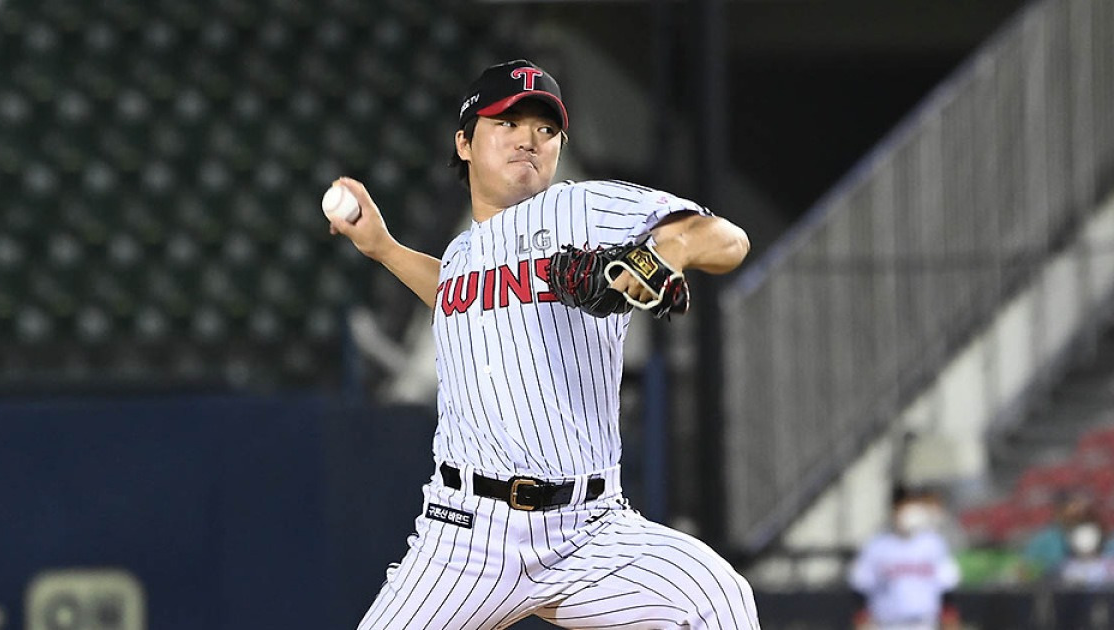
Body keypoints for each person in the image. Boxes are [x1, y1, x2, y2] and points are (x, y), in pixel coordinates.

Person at [329, 59, 759, 629]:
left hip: (591, 532)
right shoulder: (463, 255)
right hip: (465, 538)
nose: (528, 139)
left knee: (718, 598)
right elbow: (457, 294)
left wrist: (664, 254)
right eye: (507, 123)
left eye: (545, 128)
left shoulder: (582, 210)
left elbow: (728, 239)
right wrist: (383, 249)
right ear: (464, 142)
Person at [849, 487, 962, 630]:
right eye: (904, 507)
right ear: (895, 509)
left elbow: (947, 586)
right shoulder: (877, 545)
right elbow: (861, 585)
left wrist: (950, 621)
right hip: (887, 624)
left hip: (924, 623)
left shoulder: (933, 543)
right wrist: (862, 619)